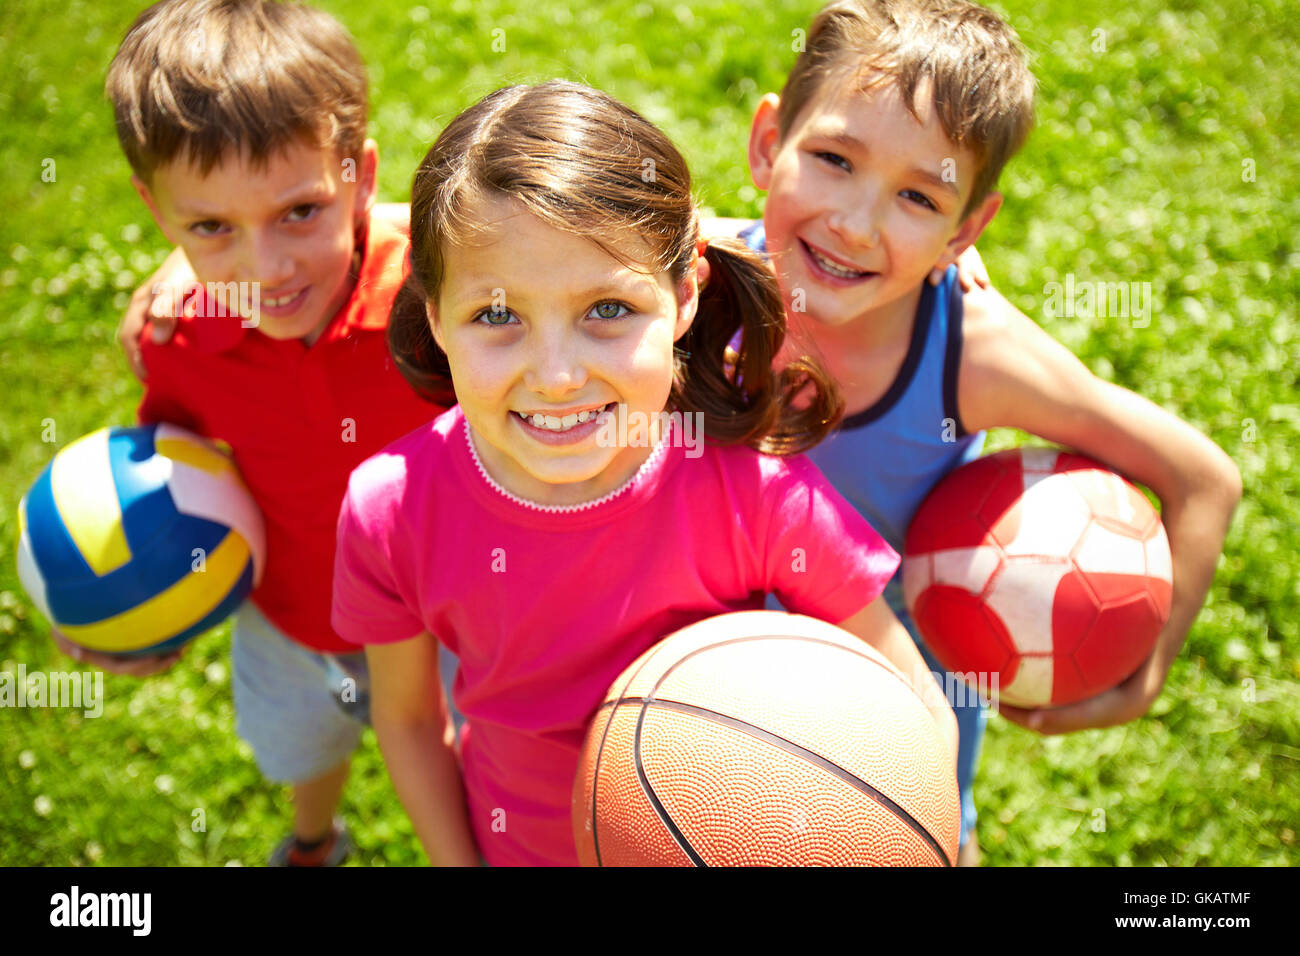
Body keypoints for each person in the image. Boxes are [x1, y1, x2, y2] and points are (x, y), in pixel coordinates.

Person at [330, 80, 960, 867]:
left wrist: (940, 840)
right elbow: (411, 721)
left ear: (685, 293)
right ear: (434, 317)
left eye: (608, 310)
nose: (557, 376)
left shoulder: (751, 492)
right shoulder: (390, 510)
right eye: (497, 316)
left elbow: (905, 684)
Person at [713, 0, 1242, 865]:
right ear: (770, 142)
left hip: (898, 696)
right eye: (834, 159)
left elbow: (1203, 478)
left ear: (966, 230)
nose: (856, 222)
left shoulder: (971, 354)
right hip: (702, 677)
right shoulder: (690, 293)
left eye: (917, 196)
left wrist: (1143, 675)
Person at [63, 0, 451, 866]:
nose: (266, 269)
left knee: (464, 775)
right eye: (211, 228)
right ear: (156, 212)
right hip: (289, 619)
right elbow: (177, 492)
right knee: (301, 751)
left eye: (300, 212)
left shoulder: (441, 304)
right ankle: (315, 839)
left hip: (453, 616)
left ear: (362, 176)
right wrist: (128, 612)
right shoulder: (180, 343)